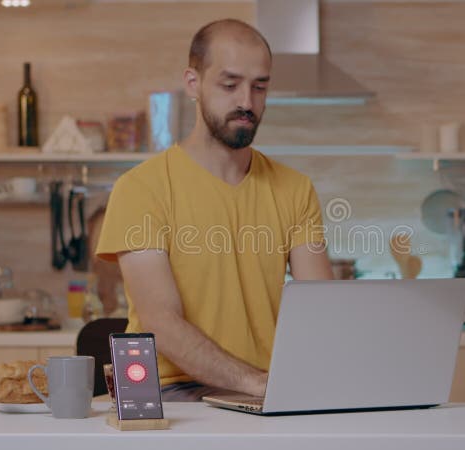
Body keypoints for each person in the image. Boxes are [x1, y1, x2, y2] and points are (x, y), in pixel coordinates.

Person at [96, 18, 333, 402]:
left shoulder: (295, 189)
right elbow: (161, 322)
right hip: (174, 392)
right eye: (230, 84)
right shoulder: (140, 189)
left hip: (268, 391)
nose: (247, 102)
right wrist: (255, 382)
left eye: (260, 86)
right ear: (193, 83)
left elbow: (322, 310)